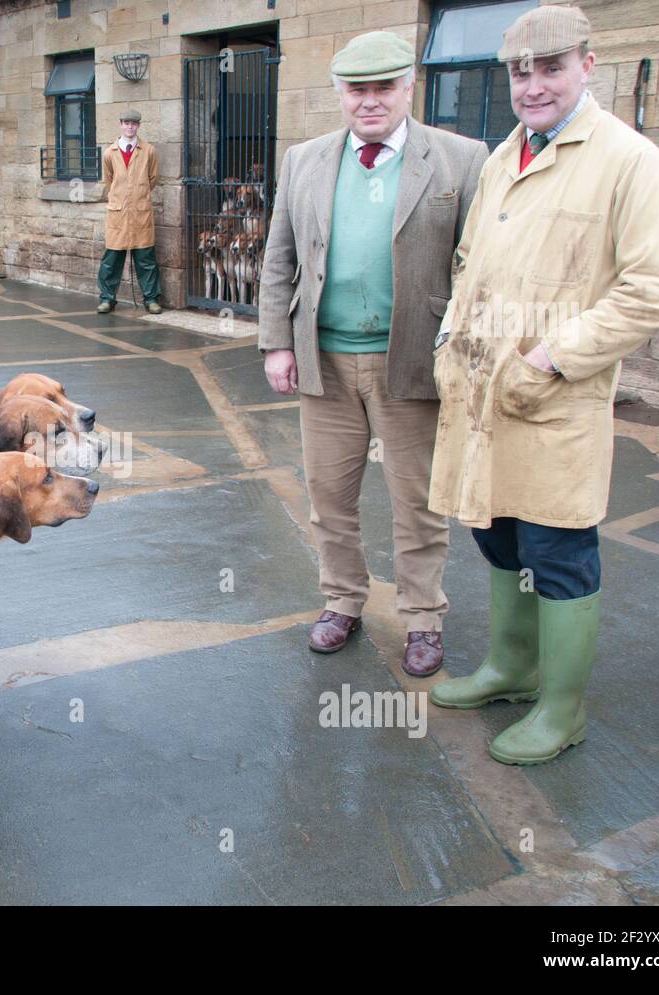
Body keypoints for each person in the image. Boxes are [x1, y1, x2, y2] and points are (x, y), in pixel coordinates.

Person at [427, 5, 659, 764]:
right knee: (497, 533)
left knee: (559, 549)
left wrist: (552, 357)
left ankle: (562, 710)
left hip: (554, 398)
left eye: (550, 68)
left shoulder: (630, 161)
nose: (533, 84)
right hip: (482, 395)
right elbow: (473, 261)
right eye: (520, 71)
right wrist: (451, 344)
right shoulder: (507, 153)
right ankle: (513, 666)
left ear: (587, 65)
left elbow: (654, 289)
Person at [258, 31, 488, 675]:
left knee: (418, 500)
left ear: (408, 86)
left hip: (411, 360)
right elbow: (279, 257)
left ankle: (422, 617)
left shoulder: (461, 159)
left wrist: (461, 347)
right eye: (357, 89)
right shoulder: (303, 159)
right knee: (329, 497)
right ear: (339, 94)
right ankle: (342, 600)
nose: (370, 101)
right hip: (324, 361)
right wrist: (277, 341)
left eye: (383, 87)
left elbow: (477, 266)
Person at [97, 110, 163, 314]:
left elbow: (153, 178)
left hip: (141, 213)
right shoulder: (110, 153)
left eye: (133, 124)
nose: (130, 127)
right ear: (120, 125)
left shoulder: (149, 151)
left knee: (146, 259)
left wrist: (138, 196)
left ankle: (151, 299)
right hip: (118, 214)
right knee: (111, 260)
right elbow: (109, 180)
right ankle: (107, 298)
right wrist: (122, 197)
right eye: (126, 123)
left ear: (138, 126)